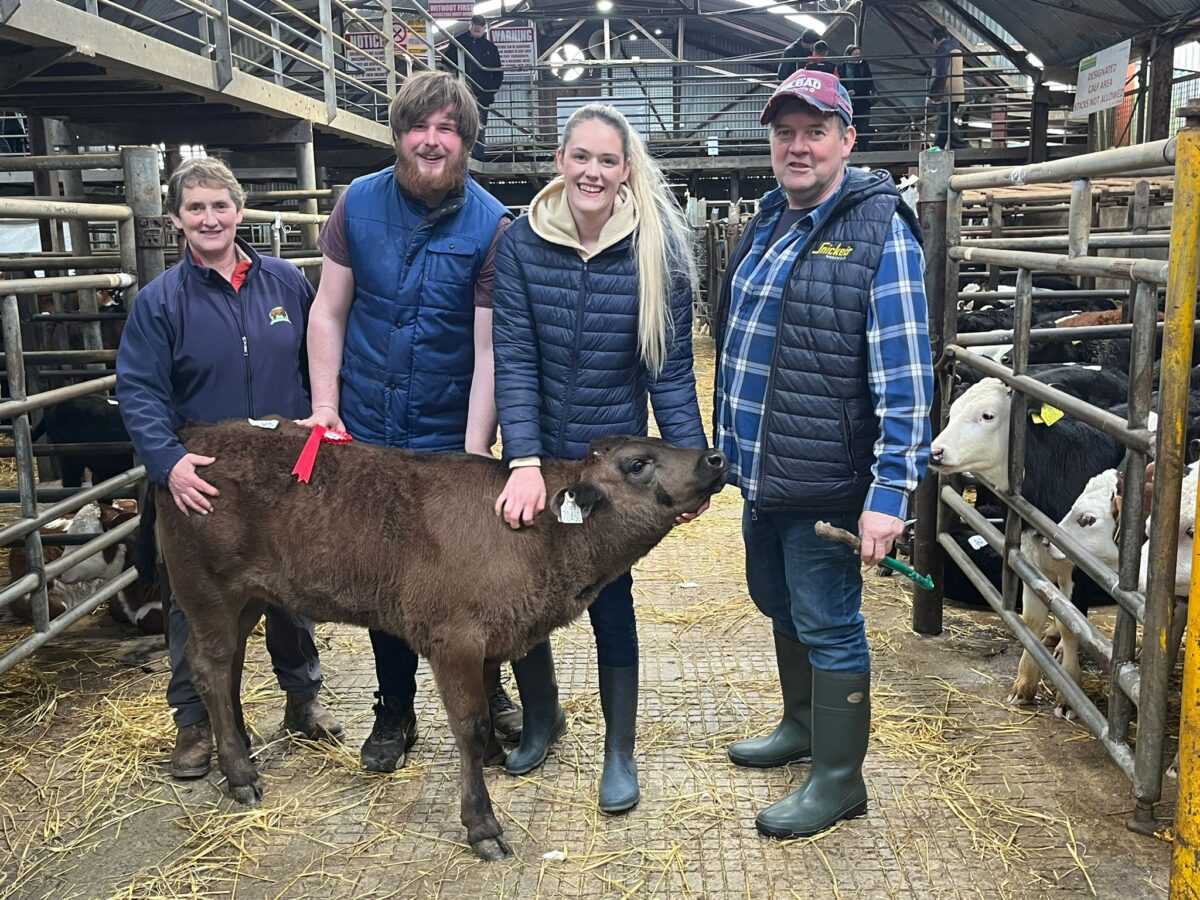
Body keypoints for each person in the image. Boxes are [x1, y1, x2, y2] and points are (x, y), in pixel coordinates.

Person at [712, 70, 932, 839]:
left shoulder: (880, 231)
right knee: (780, 602)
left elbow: (906, 378)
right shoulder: (770, 219)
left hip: (828, 479)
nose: (798, 146)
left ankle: (840, 782)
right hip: (764, 471)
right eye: (785, 133)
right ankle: (802, 727)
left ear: (847, 141)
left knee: (831, 622)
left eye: (815, 132)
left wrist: (890, 494)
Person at [491, 103, 708, 814]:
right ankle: (543, 716)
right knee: (527, 589)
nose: (592, 171)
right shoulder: (522, 244)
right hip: (541, 458)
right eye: (580, 156)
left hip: (614, 471)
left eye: (607, 160)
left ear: (625, 170)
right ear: (561, 161)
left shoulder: (656, 250)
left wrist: (692, 475)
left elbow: (669, 370)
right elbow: (514, 358)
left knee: (611, 600)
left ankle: (619, 749)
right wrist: (523, 459)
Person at [301, 70, 518, 773]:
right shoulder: (357, 204)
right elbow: (329, 310)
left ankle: (488, 688)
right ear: (398, 135)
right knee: (384, 575)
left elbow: (487, 350)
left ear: (467, 141)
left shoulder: (492, 225)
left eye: (447, 128)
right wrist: (326, 406)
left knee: (472, 571)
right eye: (419, 126)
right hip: (367, 425)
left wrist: (473, 450)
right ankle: (394, 709)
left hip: (446, 429)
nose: (431, 140)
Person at [117, 158, 344, 779]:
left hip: (284, 474)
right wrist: (168, 463)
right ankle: (194, 723)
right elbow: (139, 390)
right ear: (176, 219)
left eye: (220, 205)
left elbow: (316, 360)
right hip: (206, 479)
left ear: (239, 212)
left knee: (295, 586)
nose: (210, 218)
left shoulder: (286, 283)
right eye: (195, 208)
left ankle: (303, 696)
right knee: (196, 601)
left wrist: (324, 420)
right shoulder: (160, 302)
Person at [443, 14, 504, 161]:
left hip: (482, 96)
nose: (478, 27)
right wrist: (453, 88)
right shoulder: (457, 42)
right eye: (475, 24)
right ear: (470, 25)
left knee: (479, 127)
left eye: (481, 25)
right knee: (458, 124)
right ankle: (458, 154)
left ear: (484, 28)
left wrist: (489, 93)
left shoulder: (490, 48)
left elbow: (498, 73)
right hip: (460, 94)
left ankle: (477, 157)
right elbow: (446, 64)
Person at [929, 25, 967, 150]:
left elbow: (941, 73)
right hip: (957, 91)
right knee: (946, 121)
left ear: (935, 39)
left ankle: (960, 147)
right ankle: (939, 147)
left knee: (945, 123)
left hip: (947, 92)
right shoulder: (955, 47)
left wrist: (933, 93)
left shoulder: (943, 49)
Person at [841, 45, 876, 150]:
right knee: (847, 127)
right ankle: (847, 149)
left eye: (859, 54)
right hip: (847, 101)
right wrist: (846, 93)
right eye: (855, 54)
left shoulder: (864, 66)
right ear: (848, 55)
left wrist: (855, 90)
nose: (858, 56)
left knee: (863, 127)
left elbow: (868, 82)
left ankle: (863, 150)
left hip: (861, 100)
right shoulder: (841, 67)